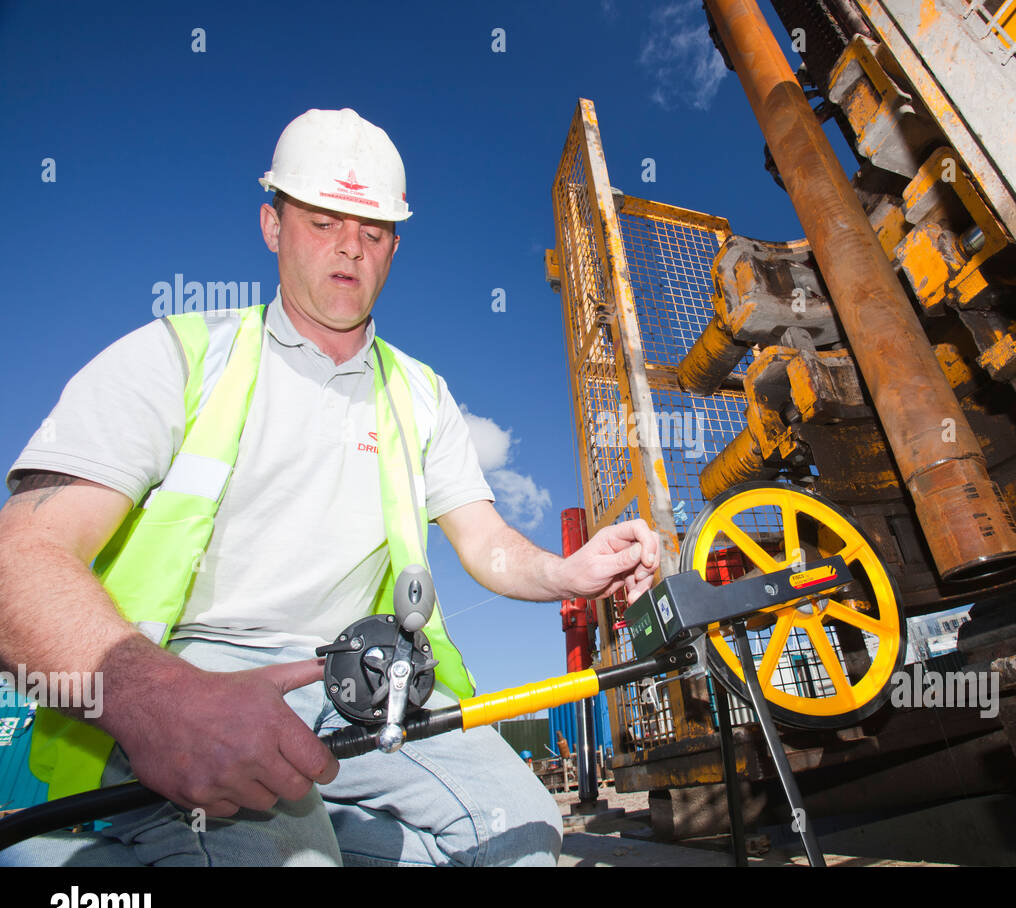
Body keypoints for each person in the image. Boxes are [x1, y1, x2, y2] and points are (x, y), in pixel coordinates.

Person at [0, 107, 659, 866]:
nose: (350, 246)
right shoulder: (175, 358)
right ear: (272, 225)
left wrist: (569, 573)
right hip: (200, 672)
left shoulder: (421, 394)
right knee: (290, 855)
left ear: (394, 248)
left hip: (369, 679)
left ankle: (331, 832)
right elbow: (24, 555)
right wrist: (158, 699)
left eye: (372, 231)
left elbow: (489, 546)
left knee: (521, 830)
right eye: (321, 220)